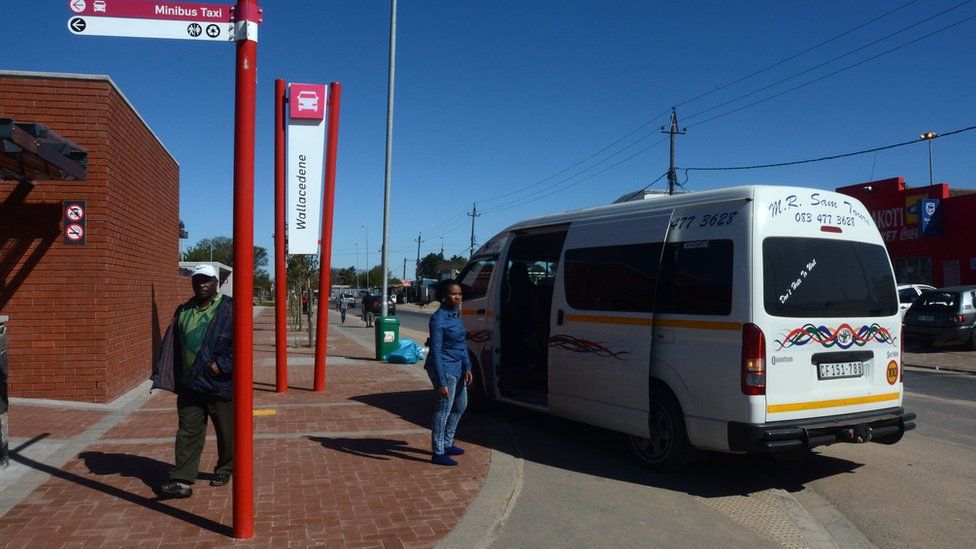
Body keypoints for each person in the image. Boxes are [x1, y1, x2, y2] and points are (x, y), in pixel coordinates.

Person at [150, 264, 234, 498]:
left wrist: (223, 365)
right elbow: (173, 346)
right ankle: (181, 479)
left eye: (206, 280)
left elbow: (242, 345)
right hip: (190, 384)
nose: (201, 284)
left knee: (226, 431)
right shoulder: (184, 309)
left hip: (219, 383)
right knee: (188, 431)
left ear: (217, 283)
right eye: (197, 280)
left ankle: (225, 467)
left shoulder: (229, 309)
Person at [424, 280, 472, 466]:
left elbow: (461, 344)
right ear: (444, 296)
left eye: (459, 294)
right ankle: (438, 451)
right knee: (443, 409)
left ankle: (447, 442)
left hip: (458, 368)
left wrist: (468, 367)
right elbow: (435, 351)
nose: (458, 297)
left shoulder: (455, 315)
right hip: (444, 368)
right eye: (453, 294)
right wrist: (442, 382)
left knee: (461, 406)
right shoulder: (438, 319)